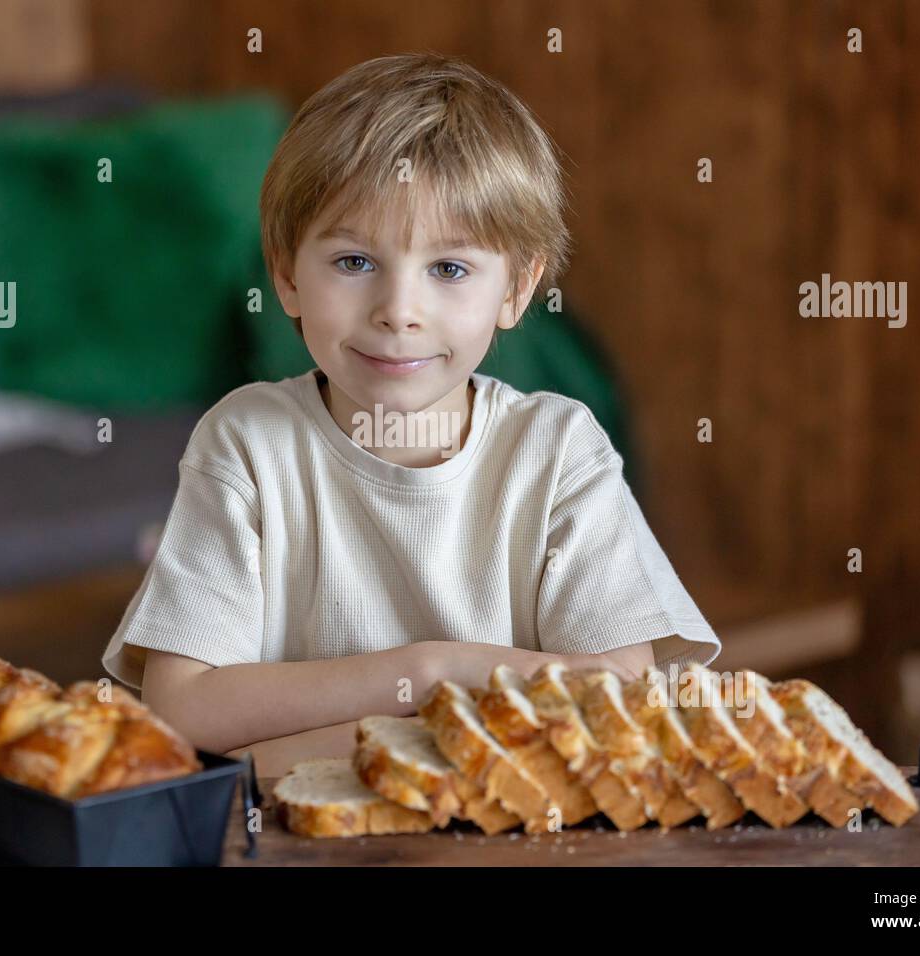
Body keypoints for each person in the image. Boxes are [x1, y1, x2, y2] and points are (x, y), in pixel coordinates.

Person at [101, 53, 720, 776]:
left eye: (449, 269)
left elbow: (617, 698)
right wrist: (431, 672)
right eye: (355, 262)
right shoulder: (247, 443)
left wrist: (287, 746)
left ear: (517, 290)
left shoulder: (557, 450)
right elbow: (182, 711)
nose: (399, 312)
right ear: (285, 272)